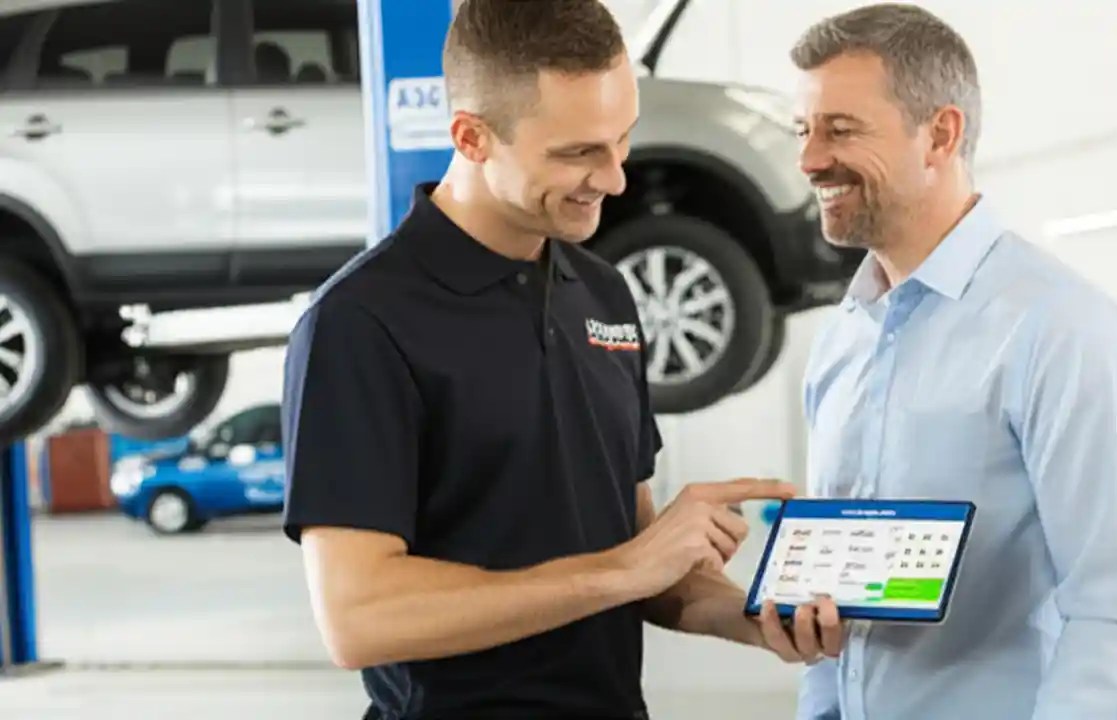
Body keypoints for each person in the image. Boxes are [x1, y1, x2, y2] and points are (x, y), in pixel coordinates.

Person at [279, 2, 819, 718]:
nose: (616, 178)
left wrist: (753, 616)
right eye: (577, 154)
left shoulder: (602, 292)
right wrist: (623, 569)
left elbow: (638, 564)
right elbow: (359, 618)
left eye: (622, 139)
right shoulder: (360, 323)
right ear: (471, 137)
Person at [788, 4, 1117, 719]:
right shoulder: (843, 338)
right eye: (802, 131)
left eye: (840, 130)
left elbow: (1116, 617)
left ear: (941, 133)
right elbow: (834, 601)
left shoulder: (1062, 330)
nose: (809, 160)